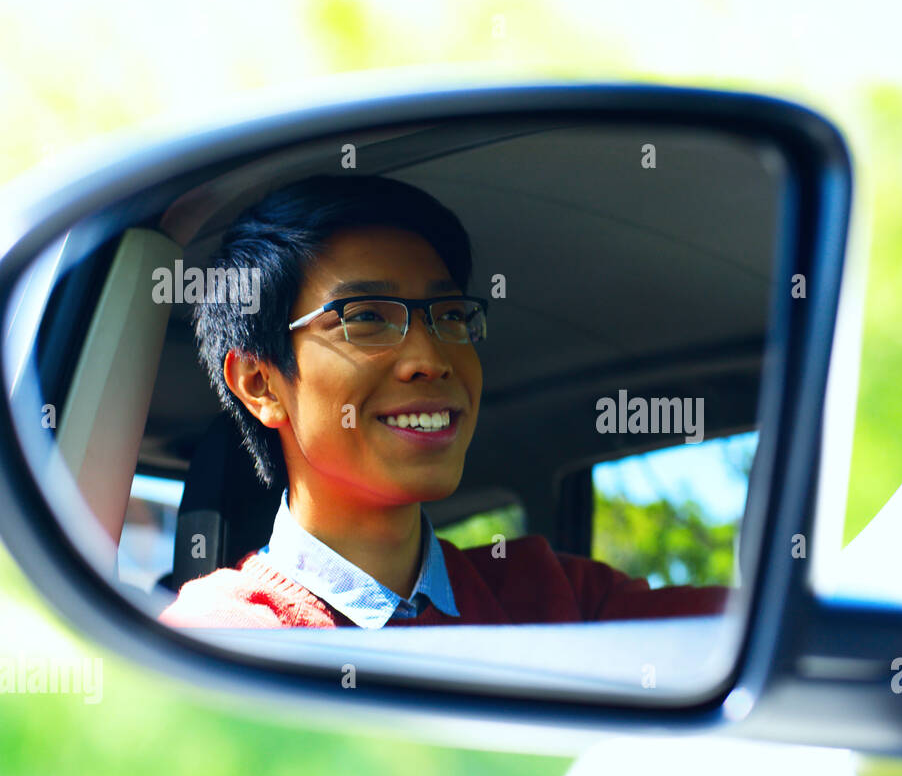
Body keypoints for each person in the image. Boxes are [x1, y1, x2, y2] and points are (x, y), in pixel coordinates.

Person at [160, 175, 727, 629]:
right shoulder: (224, 635)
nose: (430, 357)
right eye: (365, 318)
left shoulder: (559, 598)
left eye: (450, 316)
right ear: (260, 384)